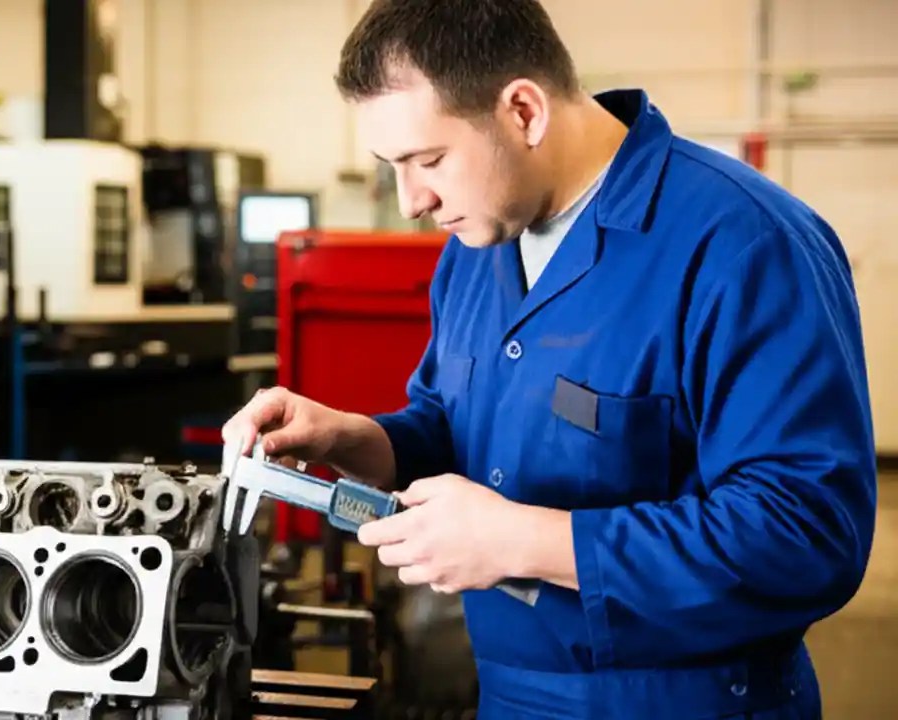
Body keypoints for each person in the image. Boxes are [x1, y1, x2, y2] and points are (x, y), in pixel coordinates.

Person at [220, 0, 878, 717]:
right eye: (392, 169)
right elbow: (453, 426)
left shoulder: (743, 244)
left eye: (429, 160)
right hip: (510, 693)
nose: (413, 201)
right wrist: (357, 442)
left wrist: (526, 541)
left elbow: (807, 535)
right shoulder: (476, 254)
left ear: (524, 111)